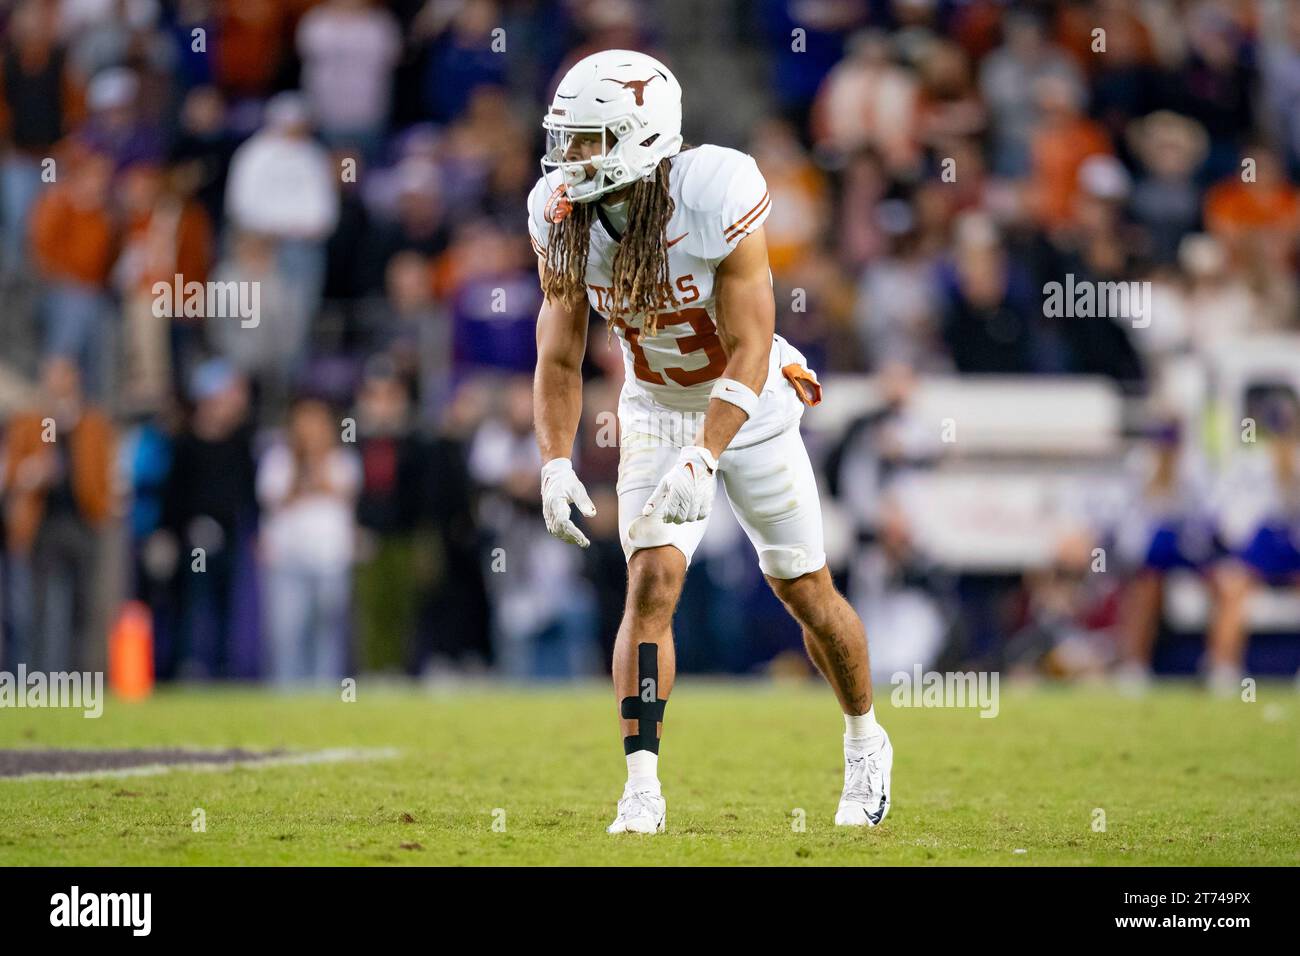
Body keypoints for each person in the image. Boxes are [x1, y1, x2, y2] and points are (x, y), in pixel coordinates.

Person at [528, 50, 891, 834]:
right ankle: (642, 787)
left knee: (804, 589)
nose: (571, 159)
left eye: (590, 140)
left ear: (641, 134)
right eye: (568, 140)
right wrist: (554, 460)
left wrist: (706, 453)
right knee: (651, 583)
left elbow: (753, 345)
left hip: (748, 401)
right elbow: (558, 353)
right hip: (656, 404)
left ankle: (865, 740)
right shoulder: (560, 216)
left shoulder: (716, 189)